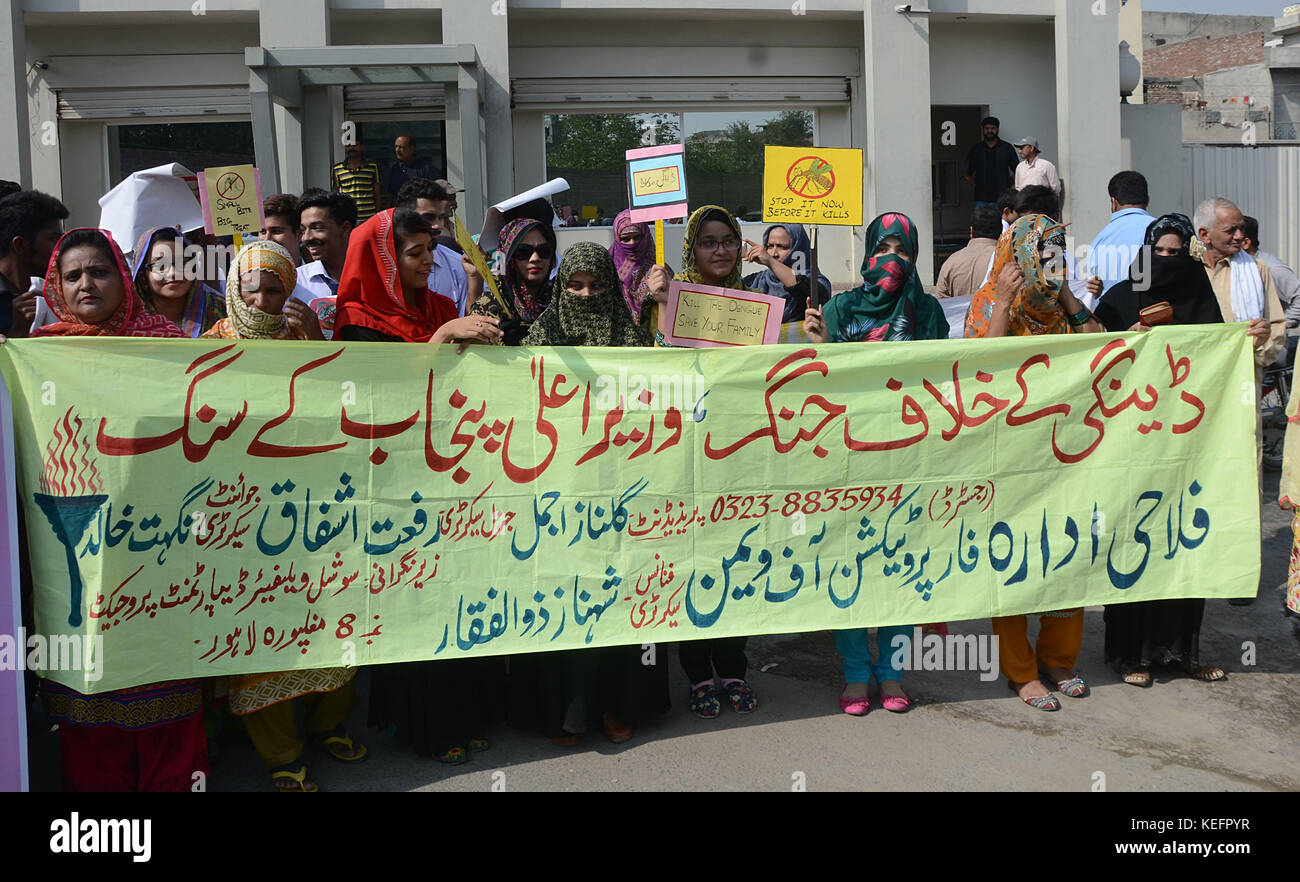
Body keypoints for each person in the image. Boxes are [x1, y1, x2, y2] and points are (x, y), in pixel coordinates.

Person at [25, 228, 204, 791]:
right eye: (73, 275)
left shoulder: (164, 346)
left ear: (122, 279)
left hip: (159, 548)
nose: (87, 284)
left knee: (166, 697)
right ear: (55, 285)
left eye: (99, 271)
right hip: (74, 553)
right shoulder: (37, 355)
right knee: (89, 702)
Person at [333, 208, 504, 764]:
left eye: (431, 249)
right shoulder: (357, 316)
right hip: (393, 480)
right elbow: (376, 397)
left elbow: (459, 382)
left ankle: (468, 713)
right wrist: (443, 338)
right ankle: (428, 727)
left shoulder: (439, 306)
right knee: (416, 599)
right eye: (415, 252)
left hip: (450, 473)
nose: (431, 261)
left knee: (458, 592)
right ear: (383, 259)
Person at [197, 241, 354, 789]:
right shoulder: (210, 344)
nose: (263, 301)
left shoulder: (305, 339)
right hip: (240, 514)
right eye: (251, 289)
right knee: (260, 633)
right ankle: (282, 754)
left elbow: (342, 414)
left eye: (275, 290)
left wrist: (314, 345)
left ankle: (327, 722)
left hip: (312, 508)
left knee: (332, 617)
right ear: (233, 291)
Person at [508, 243, 668, 745]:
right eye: (574, 286)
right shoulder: (537, 341)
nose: (585, 294)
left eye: (596, 285)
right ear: (560, 288)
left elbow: (671, 398)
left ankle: (619, 707)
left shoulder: (636, 345)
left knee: (621, 601)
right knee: (562, 598)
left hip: (624, 494)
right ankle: (567, 710)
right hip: (555, 496)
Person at [800, 212, 947, 714]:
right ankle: (856, 674)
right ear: (866, 255)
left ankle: (892, 674)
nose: (892, 260)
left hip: (908, 456)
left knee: (900, 568)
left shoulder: (927, 312)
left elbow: (942, 380)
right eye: (883, 248)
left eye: (902, 251)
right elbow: (824, 383)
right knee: (850, 565)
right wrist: (819, 345)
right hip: (849, 459)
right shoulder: (838, 309)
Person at [964, 213, 1100, 710]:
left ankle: (1059, 658)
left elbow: (1102, 348)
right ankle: (1020, 671)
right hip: (1010, 459)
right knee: (1015, 559)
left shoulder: (1062, 310)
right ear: (1017, 254)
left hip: (1067, 455)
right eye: (1042, 254)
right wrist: (1002, 300)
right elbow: (982, 370)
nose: (1050, 263)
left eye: (1057, 254)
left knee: (1068, 557)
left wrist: (1067, 297)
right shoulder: (988, 304)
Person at [1094, 214, 1229, 686]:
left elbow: (1219, 358)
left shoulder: (1201, 299)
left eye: (1176, 253)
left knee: (1185, 541)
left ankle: (1181, 653)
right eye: (1159, 253)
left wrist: (1241, 341)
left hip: (1188, 444)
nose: (1167, 261)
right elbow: (1093, 361)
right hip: (1133, 442)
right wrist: (1130, 337)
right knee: (1136, 542)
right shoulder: (1119, 298)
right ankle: (1129, 655)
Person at [644, 205, 760, 717]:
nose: (719, 250)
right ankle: (696, 673)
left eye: (728, 240)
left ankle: (733, 667)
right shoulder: (667, 297)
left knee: (737, 559)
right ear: (690, 248)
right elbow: (653, 370)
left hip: (740, 452)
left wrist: (810, 338)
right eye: (708, 242)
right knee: (691, 565)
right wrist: (663, 306)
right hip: (684, 453)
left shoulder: (757, 301)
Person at [470, 216, 557, 346]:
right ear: (508, 258)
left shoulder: (561, 301)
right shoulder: (487, 305)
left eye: (543, 251)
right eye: (523, 252)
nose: (535, 258)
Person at [131, 227, 225, 338]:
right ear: (143, 276)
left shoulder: (222, 311)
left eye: (182, 263)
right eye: (161, 266)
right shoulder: (129, 319)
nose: (173, 273)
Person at [396, 177, 471, 315]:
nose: (438, 225)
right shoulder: (384, 267)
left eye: (441, 217)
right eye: (428, 217)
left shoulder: (457, 266)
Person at [0, 189, 67, 338]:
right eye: (54, 238)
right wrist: (17, 332)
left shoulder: (66, 293)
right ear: (20, 245)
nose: (61, 247)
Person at [742, 222, 831, 323]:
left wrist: (772, 263)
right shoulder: (756, 281)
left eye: (782, 247)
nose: (773, 254)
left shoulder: (817, 283)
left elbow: (806, 291)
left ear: (798, 248)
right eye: (770, 246)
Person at [1086, 171, 1155, 296]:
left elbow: (1091, 292)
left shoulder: (1099, 240)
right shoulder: (1160, 231)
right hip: (1154, 313)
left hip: (1109, 313)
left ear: (1114, 202)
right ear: (1148, 200)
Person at [295, 188, 355, 306]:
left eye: (317, 228)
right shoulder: (295, 282)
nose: (306, 238)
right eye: (303, 230)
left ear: (345, 229)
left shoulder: (375, 278)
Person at [1242, 215, 1300, 331]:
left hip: (1269, 346)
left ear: (1245, 243)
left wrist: (1275, 326)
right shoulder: (1233, 268)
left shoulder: (1272, 268)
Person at [935, 205, 1000, 299]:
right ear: (1001, 230)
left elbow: (941, 302)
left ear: (971, 230)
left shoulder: (951, 261)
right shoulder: (1006, 260)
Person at [610, 210, 659, 318]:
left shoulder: (660, 272)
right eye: (625, 239)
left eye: (637, 237)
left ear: (645, 236)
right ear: (617, 239)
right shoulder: (606, 271)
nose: (632, 243)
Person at [965, 116, 1019, 210]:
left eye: (992, 128)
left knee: (1002, 224)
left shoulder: (1007, 148)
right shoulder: (976, 149)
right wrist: (978, 185)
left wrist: (1008, 184)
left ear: (997, 129)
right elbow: (967, 174)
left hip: (1003, 198)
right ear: (983, 130)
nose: (989, 131)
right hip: (981, 198)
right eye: (987, 128)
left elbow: (1018, 171)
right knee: (980, 224)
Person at [331, 143, 381, 223]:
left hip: (369, 217)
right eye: (348, 146)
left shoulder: (372, 167)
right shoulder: (337, 169)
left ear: (361, 147)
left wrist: (378, 215)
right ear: (345, 148)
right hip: (348, 217)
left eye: (355, 145)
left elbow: (377, 193)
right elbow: (335, 195)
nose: (352, 148)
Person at [386, 135, 438, 206]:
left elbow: (432, 192)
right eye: (396, 146)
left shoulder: (425, 168)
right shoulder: (395, 168)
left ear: (411, 148)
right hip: (398, 212)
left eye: (401, 147)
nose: (397, 150)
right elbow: (391, 193)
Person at [260, 193, 302, 267]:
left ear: (299, 235)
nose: (267, 239)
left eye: (276, 231)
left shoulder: (320, 270)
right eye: (263, 232)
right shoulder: (252, 275)